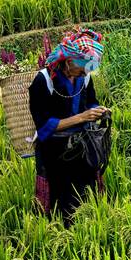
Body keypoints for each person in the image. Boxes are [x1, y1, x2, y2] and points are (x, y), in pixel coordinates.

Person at [28, 29, 110, 223]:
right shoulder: (43, 81)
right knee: (64, 201)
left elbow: (91, 101)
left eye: (88, 70)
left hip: (82, 145)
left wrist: (98, 110)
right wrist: (82, 117)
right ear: (69, 62)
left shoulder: (85, 77)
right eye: (82, 69)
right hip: (55, 151)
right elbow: (44, 126)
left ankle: (89, 224)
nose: (85, 73)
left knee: (87, 191)